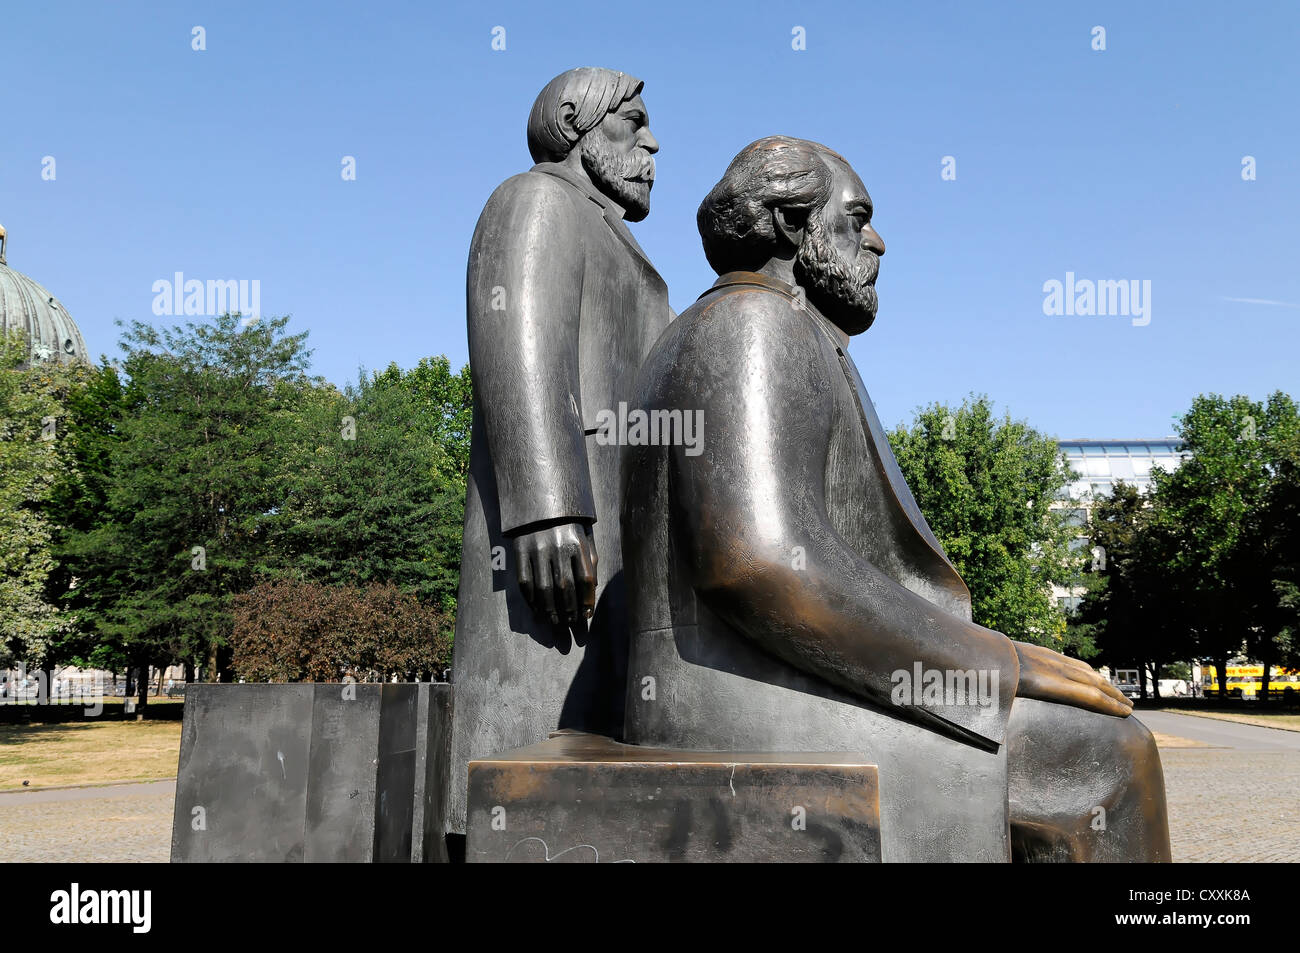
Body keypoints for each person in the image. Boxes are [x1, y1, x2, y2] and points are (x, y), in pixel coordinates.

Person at [621, 136, 1170, 861]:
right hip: (737, 700)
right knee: (1107, 756)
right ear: (791, 224)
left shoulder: (756, 327)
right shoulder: (753, 323)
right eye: (857, 218)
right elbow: (755, 561)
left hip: (751, 677)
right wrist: (998, 662)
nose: (877, 242)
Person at [446, 67, 674, 835]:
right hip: (553, 544)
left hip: (612, 545)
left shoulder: (623, 247)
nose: (651, 144)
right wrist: (545, 506)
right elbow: (518, 346)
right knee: (527, 749)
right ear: (576, 122)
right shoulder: (535, 200)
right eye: (632, 124)